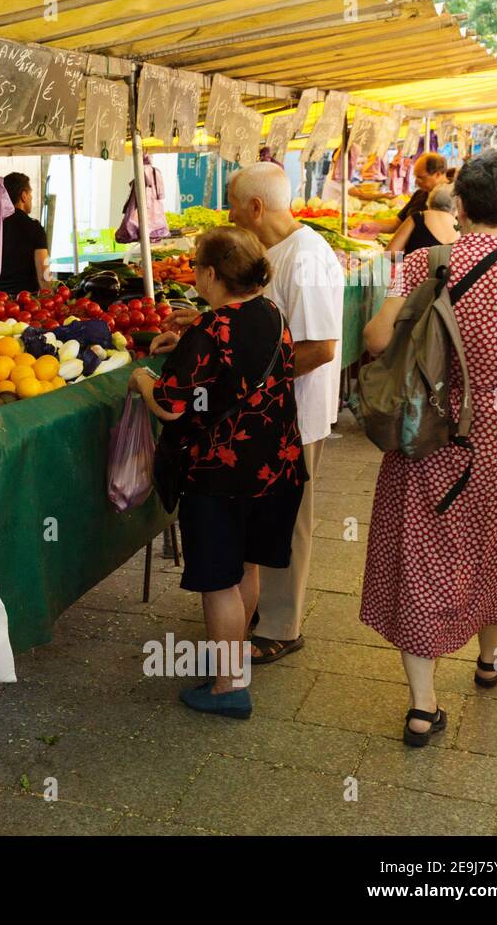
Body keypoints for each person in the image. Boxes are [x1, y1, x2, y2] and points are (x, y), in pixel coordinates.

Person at [361, 148, 497, 745]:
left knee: (421, 559)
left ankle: (422, 708)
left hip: (423, 435)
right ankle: (490, 659)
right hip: (494, 440)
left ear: (460, 203)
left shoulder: (420, 264)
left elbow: (374, 339)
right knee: (493, 548)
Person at [132, 227, 306, 718]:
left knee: (217, 580)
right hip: (277, 467)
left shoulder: (212, 331)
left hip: (221, 477)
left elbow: (168, 404)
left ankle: (228, 685)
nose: (192, 272)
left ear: (210, 274)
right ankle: (236, 666)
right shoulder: (269, 312)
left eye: (195, 266)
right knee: (246, 566)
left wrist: (143, 379)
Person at [220, 162, 343, 664]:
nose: (228, 215)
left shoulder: (307, 256)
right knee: (268, 513)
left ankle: (281, 625)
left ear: (254, 207)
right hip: (273, 410)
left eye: (232, 204)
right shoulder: (276, 253)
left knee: (290, 519)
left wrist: (254, 383)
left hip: (297, 413)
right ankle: (259, 608)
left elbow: (320, 347)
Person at [0, 172, 52, 295]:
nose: (31, 198)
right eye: (30, 194)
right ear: (23, 196)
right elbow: (43, 275)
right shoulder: (34, 227)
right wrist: (52, 300)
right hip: (23, 303)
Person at [367, 153, 449, 236]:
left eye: (421, 178)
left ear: (437, 174)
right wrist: (369, 225)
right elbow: (396, 223)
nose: (416, 182)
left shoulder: (453, 198)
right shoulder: (419, 194)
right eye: (415, 177)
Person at [387, 183, 459, 258]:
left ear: (429, 201)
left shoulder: (418, 217)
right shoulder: (459, 227)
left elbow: (390, 253)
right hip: (444, 269)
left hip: (412, 268)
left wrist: (408, 260)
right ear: (456, 207)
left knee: (380, 264)